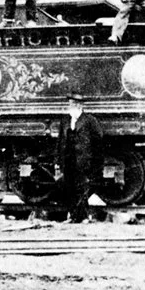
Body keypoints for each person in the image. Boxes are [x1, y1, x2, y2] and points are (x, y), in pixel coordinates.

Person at [61, 93, 104, 223]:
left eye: (73, 104)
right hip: (68, 159)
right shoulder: (65, 120)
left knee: (82, 188)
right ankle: (73, 216)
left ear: (79, 106)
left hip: (83, 160)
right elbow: (60, 141)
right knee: (69, 188)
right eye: (70, 104)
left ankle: (84, 217)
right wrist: (58, 160)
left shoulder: (89, 120)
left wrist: (92, 157)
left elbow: (98, 138)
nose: (70, 107)